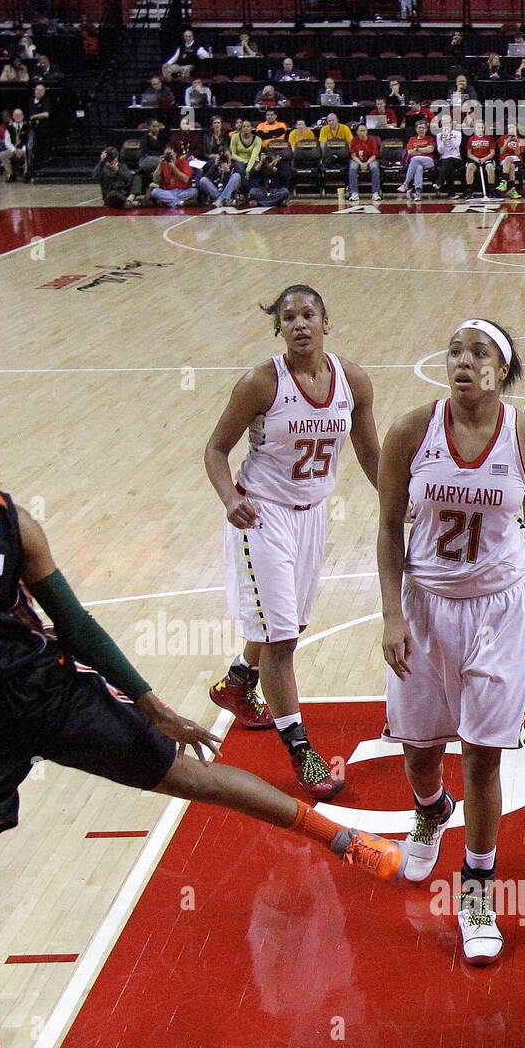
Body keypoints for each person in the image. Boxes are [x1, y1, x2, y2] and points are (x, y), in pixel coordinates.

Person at [0, 244, 406, 1048]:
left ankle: (337, 836)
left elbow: (74, 620)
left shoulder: (6, 518)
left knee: (189, 774)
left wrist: (150, 699)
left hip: (40, 690)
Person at [377, 319, 525, 965]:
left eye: (478, 352)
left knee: (483, 757)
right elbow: (386, 529)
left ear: (501, 371)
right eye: (454, 349)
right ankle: (430, 808)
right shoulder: (409, 431)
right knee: (422, 753)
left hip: (500, 612)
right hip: (425, 607)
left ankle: (477, 892)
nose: (462, 360)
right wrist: (390, 613)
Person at [206, 285, 382, 800]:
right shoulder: (261, 383)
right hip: (260, 515)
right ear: (278, 328)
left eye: (309, 314)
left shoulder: (353, 381)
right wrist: (227, 498)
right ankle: (302, 753)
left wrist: (397, 502)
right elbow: (216, 450)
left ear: (326, 321)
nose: (300, 324)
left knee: (289, 624)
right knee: (282, 640)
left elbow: (371, 453)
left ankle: (239, 683)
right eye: (288, 318)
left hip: (313, 516)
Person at [398, 118, 434, 201]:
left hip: (429, 161)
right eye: (419, 128)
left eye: (423, 128)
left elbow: (430, 150)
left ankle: (406, 183)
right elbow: (410, 152)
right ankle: (418, 192)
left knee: (415, 159)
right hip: (417, 162)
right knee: (418, 167)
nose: (421, 129)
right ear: (416, 129)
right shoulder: (412, 139)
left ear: (426, 129)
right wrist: (423, 150)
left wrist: (417, 150)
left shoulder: (430, 138)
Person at [348, 124, 381, 202]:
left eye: (364, 130)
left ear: (367, 131)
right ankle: (354, 193)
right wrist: (361, 164)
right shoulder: (354, 140)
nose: (362, 132)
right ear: (357, 132)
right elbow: (353, 155)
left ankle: (375, 193)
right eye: (360, 131)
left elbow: (374, 155)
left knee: (374, 167)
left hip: (370, 159)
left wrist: (366, 163)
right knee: (352, 168)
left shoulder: (372, 140)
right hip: (357, 160)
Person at [434, 114, 463, 197]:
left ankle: (439, 182)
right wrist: (443, 140)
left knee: (449, 161)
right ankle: (451, 194)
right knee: (449, 166)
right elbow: (440, 151)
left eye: (448, 123)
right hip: (444, 159)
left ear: (451, 124)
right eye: (444, 123)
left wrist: (448, 137)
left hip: (456, 158)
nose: (446, 125)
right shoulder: (439, 135)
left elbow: (455, 146)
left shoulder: (457, 134)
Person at [465, 125, 496, 198]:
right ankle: (469, 191)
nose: (481, 129)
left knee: (490, 167)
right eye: (478, 127)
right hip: (475, 159)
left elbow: (492, 153)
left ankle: (491, 190)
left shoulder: (489, 138)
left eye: (482, 127)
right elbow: (469, 154)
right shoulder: (471, 139)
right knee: (470, 167)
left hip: (486, 158)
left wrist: (484, 159)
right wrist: (475, 159)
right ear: (475, 129)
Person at [0, 108, 28, 181]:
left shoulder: (27, 127)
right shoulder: (9, 128)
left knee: (29, 154)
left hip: (24, 149)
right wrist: (15, 150)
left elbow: (29, 141)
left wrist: (23, 150)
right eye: (16, 115)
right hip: (13, 150)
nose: (18, 116)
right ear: (13, 117)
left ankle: (26, 174)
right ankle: (10, 174)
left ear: (23, 116)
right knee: (2, 154)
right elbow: (7, 142)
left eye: (19, 115)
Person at [496, 130, 525, 198]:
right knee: (511, 166)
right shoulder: (502, 138)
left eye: (512, 128)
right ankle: (512, 190)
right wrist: (507, 142)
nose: (511, 130)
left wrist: (517, 142)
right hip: (504, 160)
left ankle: (504, 182)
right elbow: (501, 152)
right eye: (509, 128)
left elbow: (517, 153)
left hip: (516, 159)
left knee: (508, 159)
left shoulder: (521, 140)